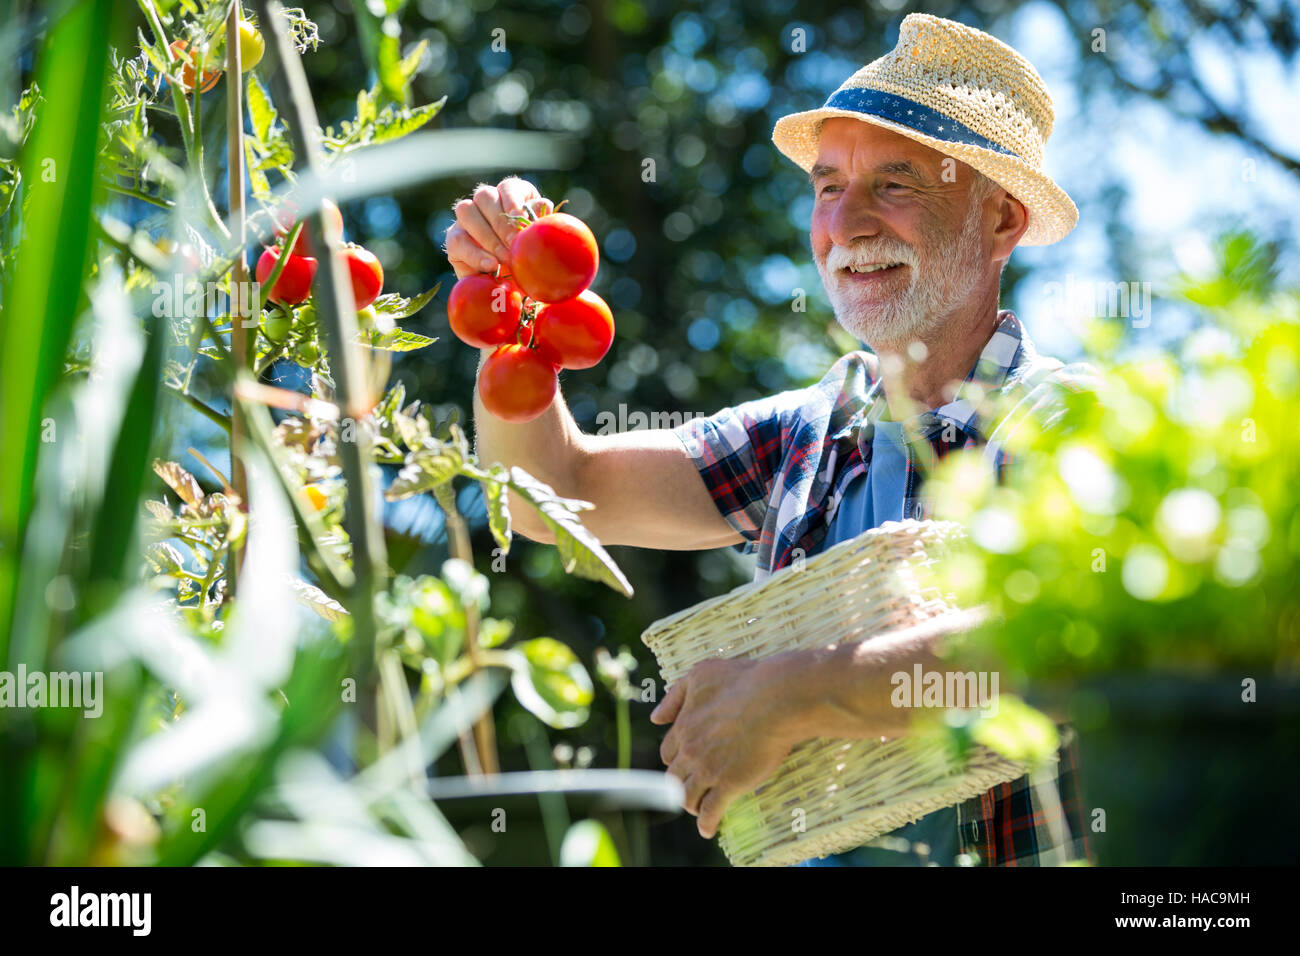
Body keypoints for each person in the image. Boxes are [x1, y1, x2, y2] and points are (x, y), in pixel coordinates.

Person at [443, 13, 1098, 866]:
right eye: (828, 186)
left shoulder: (1069, 423)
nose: (847, 225)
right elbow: (558, 491)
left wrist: (794, 694)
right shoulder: (808, 432)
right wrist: (516, 311)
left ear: (1002, 221)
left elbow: (1071, 649)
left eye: (895, 186)